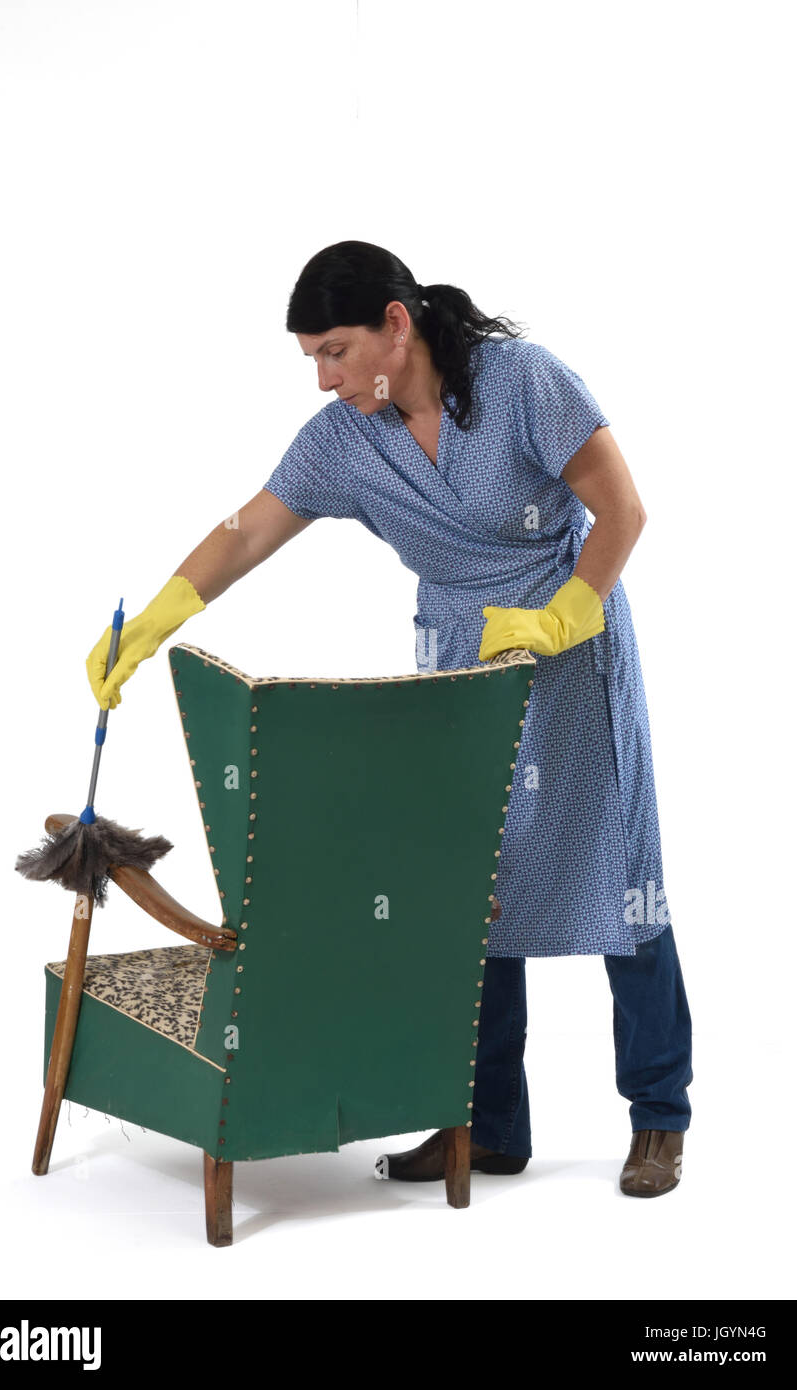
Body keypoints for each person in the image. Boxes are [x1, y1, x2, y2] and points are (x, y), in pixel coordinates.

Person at [87, 240, 693, 1198]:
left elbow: (621, 506)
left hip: (569, 645)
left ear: (396, 326)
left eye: (335, 351)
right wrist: (159, 617)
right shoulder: (342, 440)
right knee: (470, 887)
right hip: (461, 658)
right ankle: (488, 1127)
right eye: (312, 361)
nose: (326, 379)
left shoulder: (521, 383)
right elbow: (248, 530)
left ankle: (659, 1115)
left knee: (613, 872)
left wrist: (569, 613)